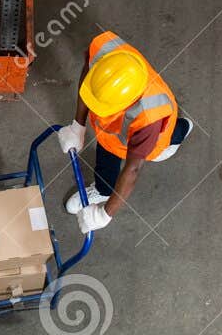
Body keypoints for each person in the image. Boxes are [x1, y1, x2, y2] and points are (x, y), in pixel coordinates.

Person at [56, 30, 190, 235]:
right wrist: (78, 126)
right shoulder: (104, 50)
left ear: (127, 104)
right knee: (108, 148)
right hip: (113, 134)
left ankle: (182, 129)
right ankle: (102, 190)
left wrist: (105, 214)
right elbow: (88, 81)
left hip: (154, 135)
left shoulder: (149, 119)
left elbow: (133, 169)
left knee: (167, 141)